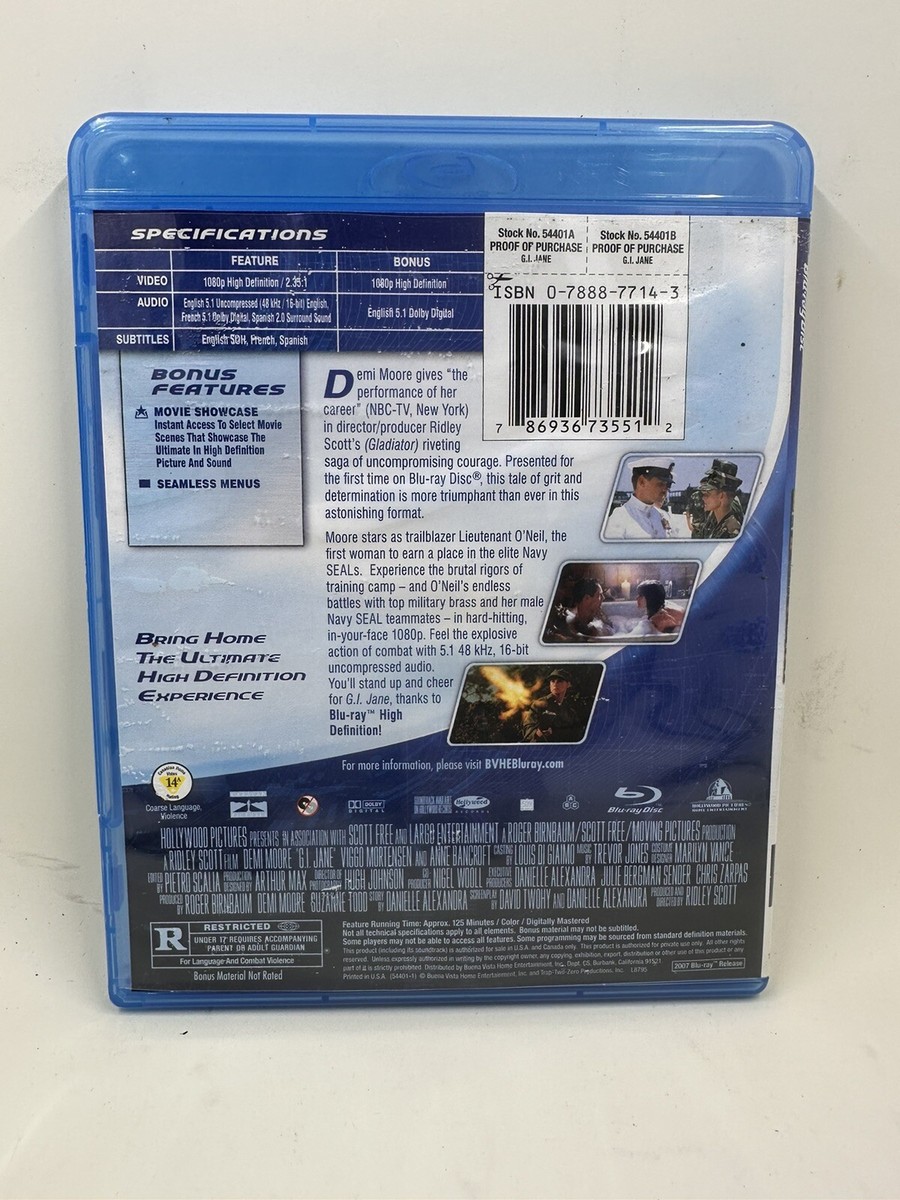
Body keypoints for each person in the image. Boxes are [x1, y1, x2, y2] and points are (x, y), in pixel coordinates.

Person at [604, 458, 675, 538]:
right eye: (660, 484)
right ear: (642, 481)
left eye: (668, 485)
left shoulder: (662, 515)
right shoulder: (620, 516)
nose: (665, 490)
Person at [522, 670, 582, 742]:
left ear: (568, 684)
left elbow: (576, 734)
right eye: (552, 681)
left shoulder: (569, 710)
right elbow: (527, 727)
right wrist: (536, 733)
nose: (555, 684)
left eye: (559, 681)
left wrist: (556, 732)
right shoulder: (539, 704)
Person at [692, 461, 744, 539]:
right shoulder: (712, 519)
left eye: (707, 494)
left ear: (722, 496)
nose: (703, 498)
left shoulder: (731, 533)